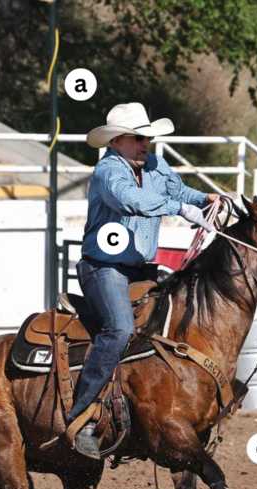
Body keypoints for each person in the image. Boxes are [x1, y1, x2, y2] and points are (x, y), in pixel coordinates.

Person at [67, 102, 217, 457]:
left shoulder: (154, 165)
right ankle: (81, 416)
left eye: (146, 137)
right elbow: (130, 200)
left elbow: (179, 192)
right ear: (116, 141)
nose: (145, 143)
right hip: (104, 267)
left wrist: (207, 199)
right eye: (137, 137)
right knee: (119, 329)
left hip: (139, 269)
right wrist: (179, 208)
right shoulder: (108, 171)